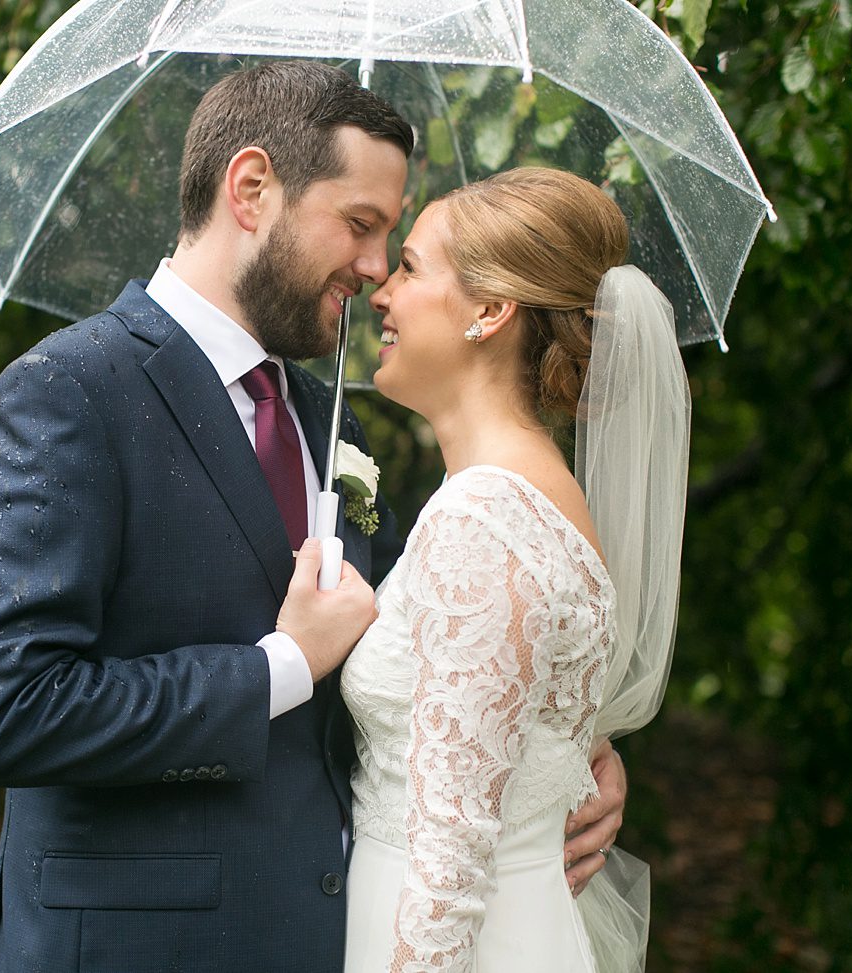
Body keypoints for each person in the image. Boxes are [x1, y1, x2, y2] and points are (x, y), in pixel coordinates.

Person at [0, 62, 625, 973]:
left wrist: (557, 754)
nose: (377, 267)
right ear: (253, 188)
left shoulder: (323, 413)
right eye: (361, 224)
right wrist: (280, 665)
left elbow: (430, 660)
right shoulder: (69, 392)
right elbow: (0, 710)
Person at [338, 167, 689, 972]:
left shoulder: (485, 521)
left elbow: (451, 863)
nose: (381, 290)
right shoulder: (533, 499)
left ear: (492, 312)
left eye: (411, 266)